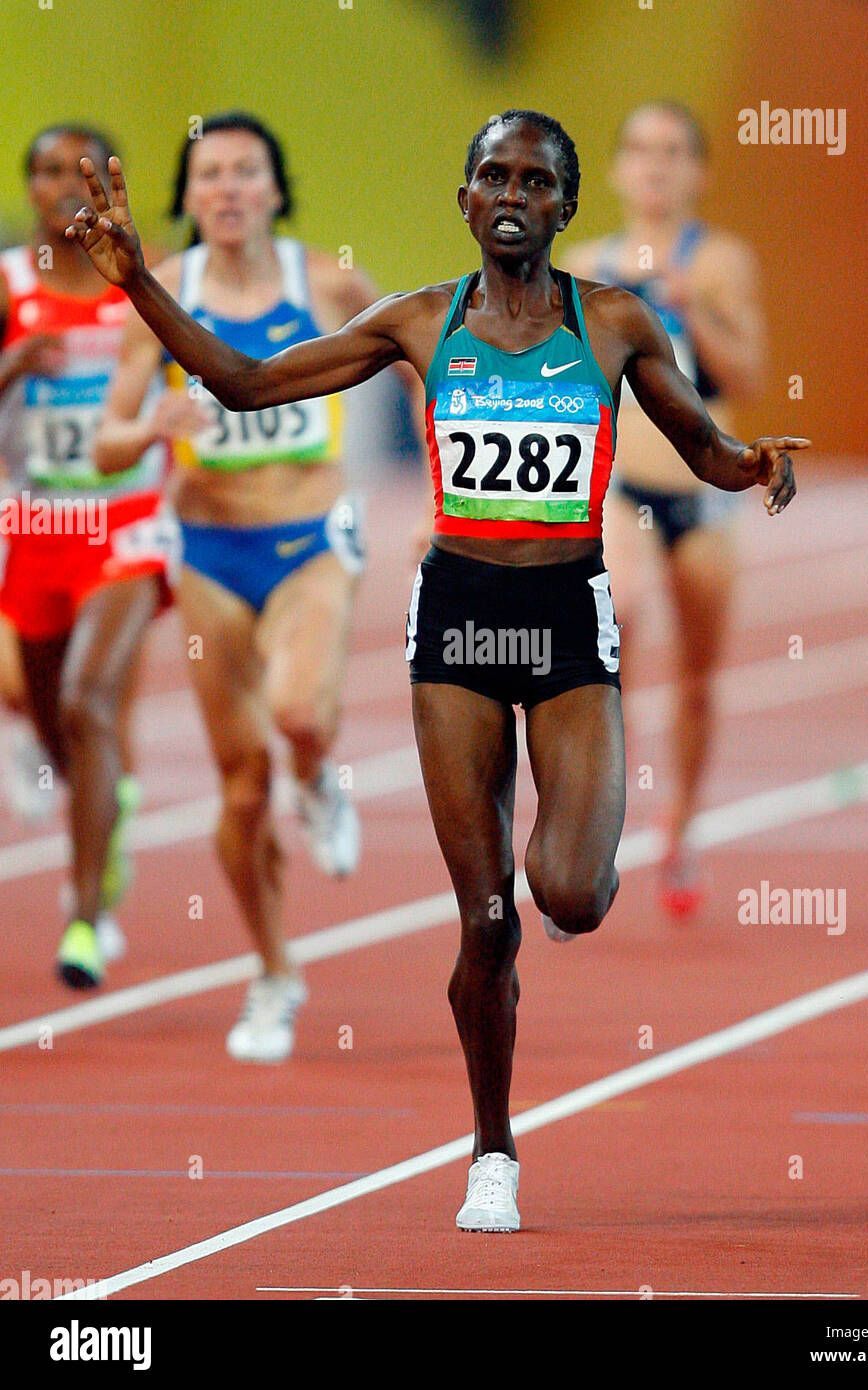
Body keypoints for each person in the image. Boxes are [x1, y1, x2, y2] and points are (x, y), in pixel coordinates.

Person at [68, 107, 805, 1228]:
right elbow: (245, 385)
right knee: (488, 917)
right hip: (458, 617)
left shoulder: (612, 321)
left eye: (535, 179)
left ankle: (572, 879)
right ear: (463, 199)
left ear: (562, 205)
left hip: (564, 616)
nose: (512, 194)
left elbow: (695, 441)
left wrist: (746, 462)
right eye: (492, 176)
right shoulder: (419, 322)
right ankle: (492, 1150)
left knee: (567, 890)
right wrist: (137, 285)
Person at [95, 112, 383, 1063]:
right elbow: (105, 441)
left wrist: (436, 482)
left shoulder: (329, 281)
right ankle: (272, 975)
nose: (224, 189)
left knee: (300, 715)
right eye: (207, 174)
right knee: (239, 785)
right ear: (187, 196)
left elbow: (433, 360)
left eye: (243, 172)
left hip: (309, 538)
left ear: (273, 187)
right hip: (212, 550)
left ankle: (320, 779)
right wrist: (151, 429)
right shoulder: (162, 290)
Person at [565, 101, 767, 919]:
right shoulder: (582, 264)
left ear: (697, 171)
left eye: (673, 151)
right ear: (615, 171)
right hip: (620, 486)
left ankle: (680, 821)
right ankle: (594, 821)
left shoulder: (720, 261)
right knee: (618, 619)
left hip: (705, 490)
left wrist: (694, 307)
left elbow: (746, 378)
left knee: (696, 676)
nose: (655, 166)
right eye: (640, 151)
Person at [0, 124, 177, 987]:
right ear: (26, 187)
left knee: (86, 702)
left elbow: (205, 375)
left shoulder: (144, 277)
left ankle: (82, 918)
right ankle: (107, 806)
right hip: (35, 529)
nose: (57, 186)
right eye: (39, 171)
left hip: (127, 523)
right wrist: (8, 370)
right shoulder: (8, 286)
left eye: (74, 170)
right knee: (54, 730)